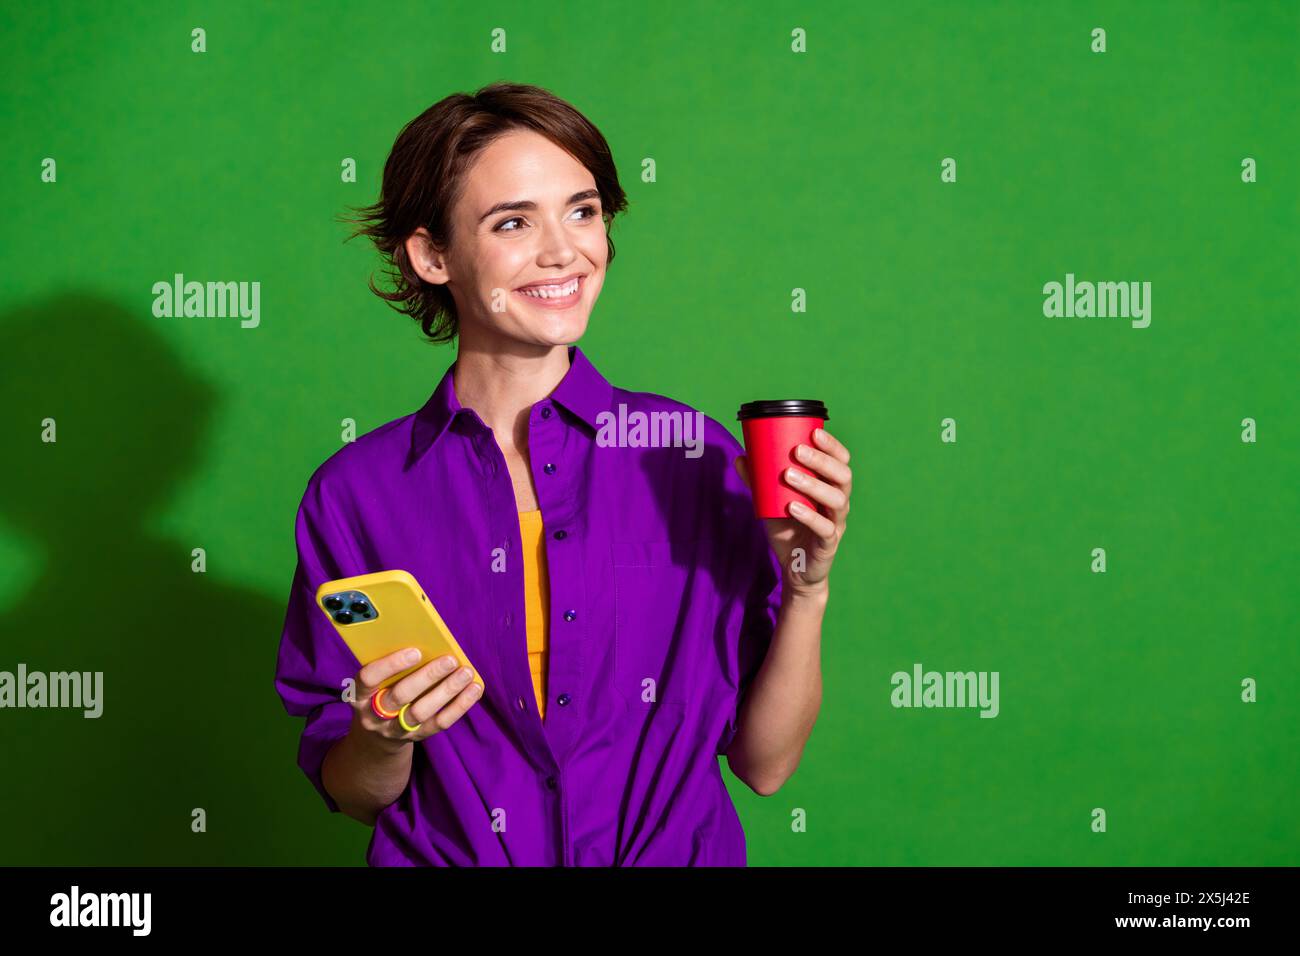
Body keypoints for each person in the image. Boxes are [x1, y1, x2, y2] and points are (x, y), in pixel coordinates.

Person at [273, 81, 853, 865]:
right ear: (432, 254)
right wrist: (381, 733)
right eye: (513, 221)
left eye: (582, 211)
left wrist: (808, 587)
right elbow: (354, 793)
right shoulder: (355, 494)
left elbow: (766, 765)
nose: (563, 251)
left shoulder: (688, 452)